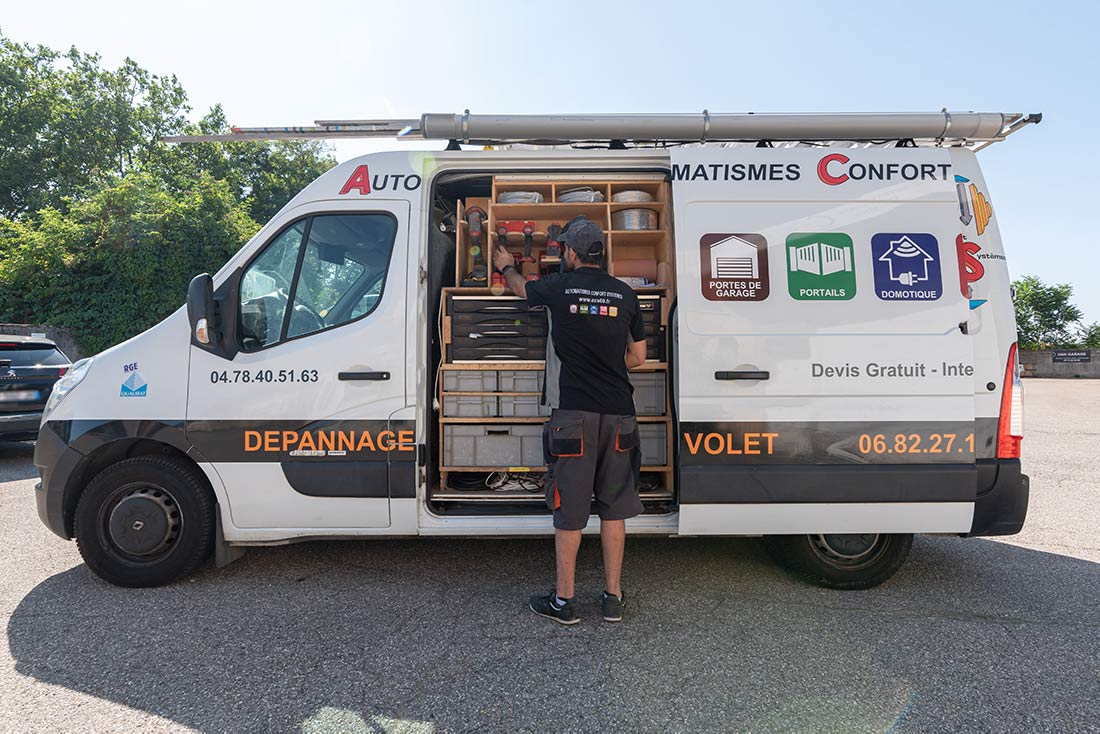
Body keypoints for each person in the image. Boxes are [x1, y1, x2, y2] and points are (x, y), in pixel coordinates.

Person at [492, 216, 648, 624]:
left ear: (572, 253)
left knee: (570, 511)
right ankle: (612, 598)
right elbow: (639, 357)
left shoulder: (559, 288)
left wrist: (506, 264)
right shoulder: (624, 294)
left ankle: (564, 602)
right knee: (614, 510)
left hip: (575, 416)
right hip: (620, 415)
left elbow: (521, 288)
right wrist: (609, 368)